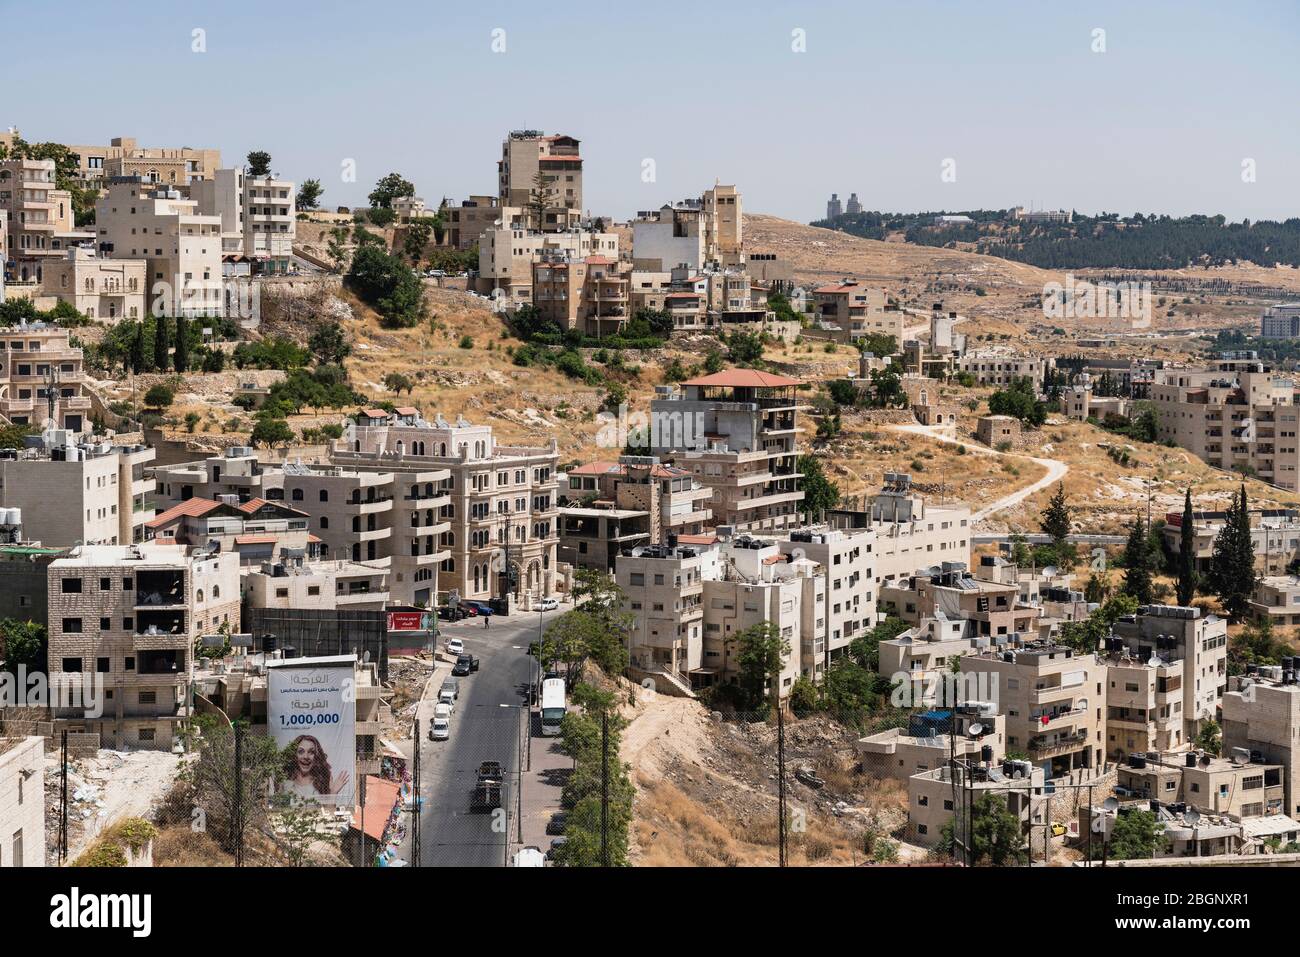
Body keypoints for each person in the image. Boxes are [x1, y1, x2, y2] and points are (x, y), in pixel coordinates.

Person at [283, 734, 350, 800]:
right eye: (301, 751)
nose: (306, 756)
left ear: (317, 756)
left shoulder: (322, 782)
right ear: (294, 755)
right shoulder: (285, 784)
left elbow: (329, 810)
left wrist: (333, 794)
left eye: (311, 752)